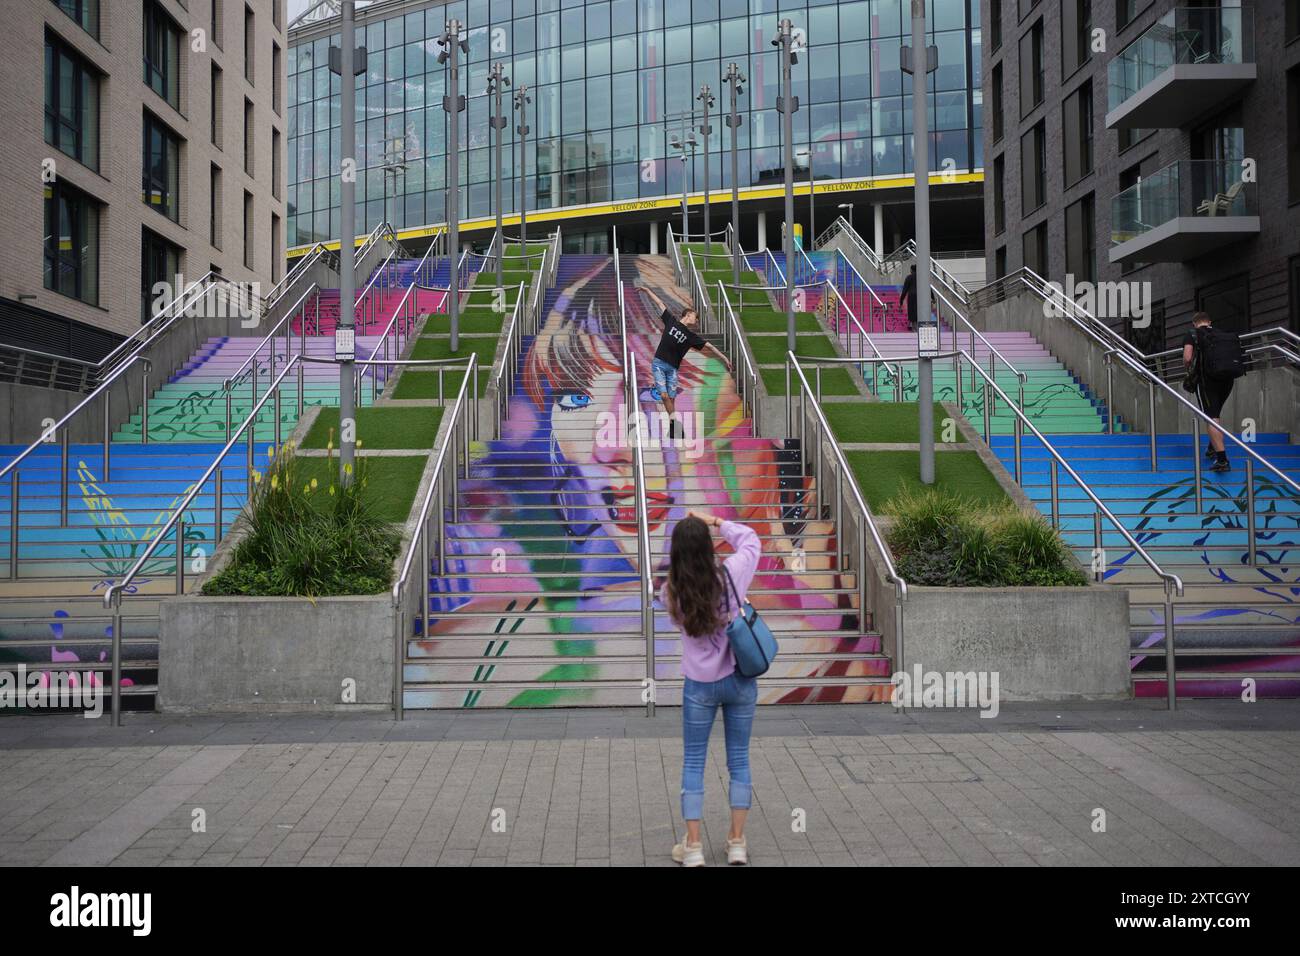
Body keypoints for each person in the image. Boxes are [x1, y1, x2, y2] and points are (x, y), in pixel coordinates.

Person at [662, 508, 762, 867]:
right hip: (739, 680)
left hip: (699, 687)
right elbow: (752, 540)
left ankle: (692, 847)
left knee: (693, 763)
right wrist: (717, 522)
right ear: (708, 547)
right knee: (739, 759)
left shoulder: (670, 592)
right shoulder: (732, 575)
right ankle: (736, 842)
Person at [638, 287, 731, 438]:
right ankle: (675, 425)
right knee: (664, 395)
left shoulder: (690, 336)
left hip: (673, 369)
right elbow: (660, 304)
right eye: (695, 317)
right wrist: (647, 290)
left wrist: (724, 358)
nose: (696, 320)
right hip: (659, 364)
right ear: (688, 315)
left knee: (672, 397)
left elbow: (709, 346)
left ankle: (674, 426)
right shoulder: (671, 321)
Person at [1182, 311, 1238, 473]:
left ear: (1194, 323)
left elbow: (1187, 357)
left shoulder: (1192, 334)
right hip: (1227, 378)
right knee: (1216, 412)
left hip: (1207, 380)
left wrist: (1190, 370)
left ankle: (1222, 459)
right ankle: (1213, 445)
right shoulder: (1220, 333)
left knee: (1211, 416)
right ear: (1209, 322)